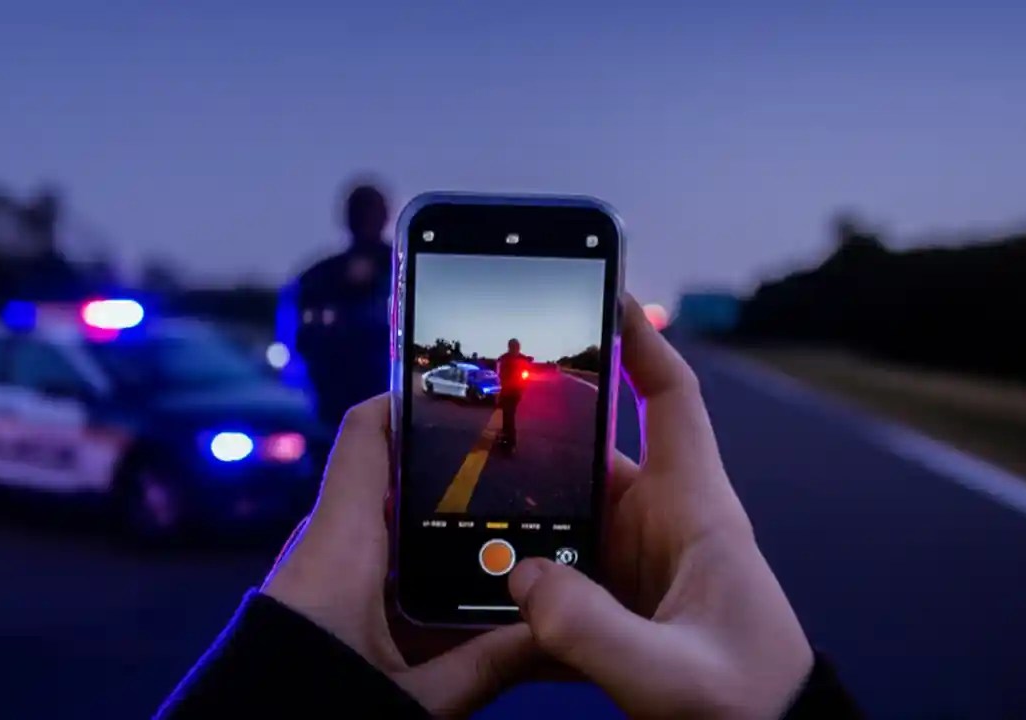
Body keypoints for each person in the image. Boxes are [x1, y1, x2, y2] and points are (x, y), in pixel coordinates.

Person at [155, 295, 860, 719]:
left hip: (512, 410)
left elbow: (511, 376)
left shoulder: (516, 365)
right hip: (505, 408)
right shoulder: (496, 364)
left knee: (504, 438)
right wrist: (787, 712)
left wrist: (284, 687)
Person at [276, 181, 394, 430]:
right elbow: (300, 336)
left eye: (371, 212)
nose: (366, 220)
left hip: (389, 399)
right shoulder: (319, 276)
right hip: (334, 401)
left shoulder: (404, 271)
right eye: (361, 212)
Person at [495, 338, 530, 451]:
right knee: (508, 414)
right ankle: (507, 438)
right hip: (511, 391)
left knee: (508, 414)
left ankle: (509, 440)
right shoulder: (517, 358)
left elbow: (500, 375)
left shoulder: (505, 358)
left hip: (511, 391)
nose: (515, 349)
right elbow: (500, 375)